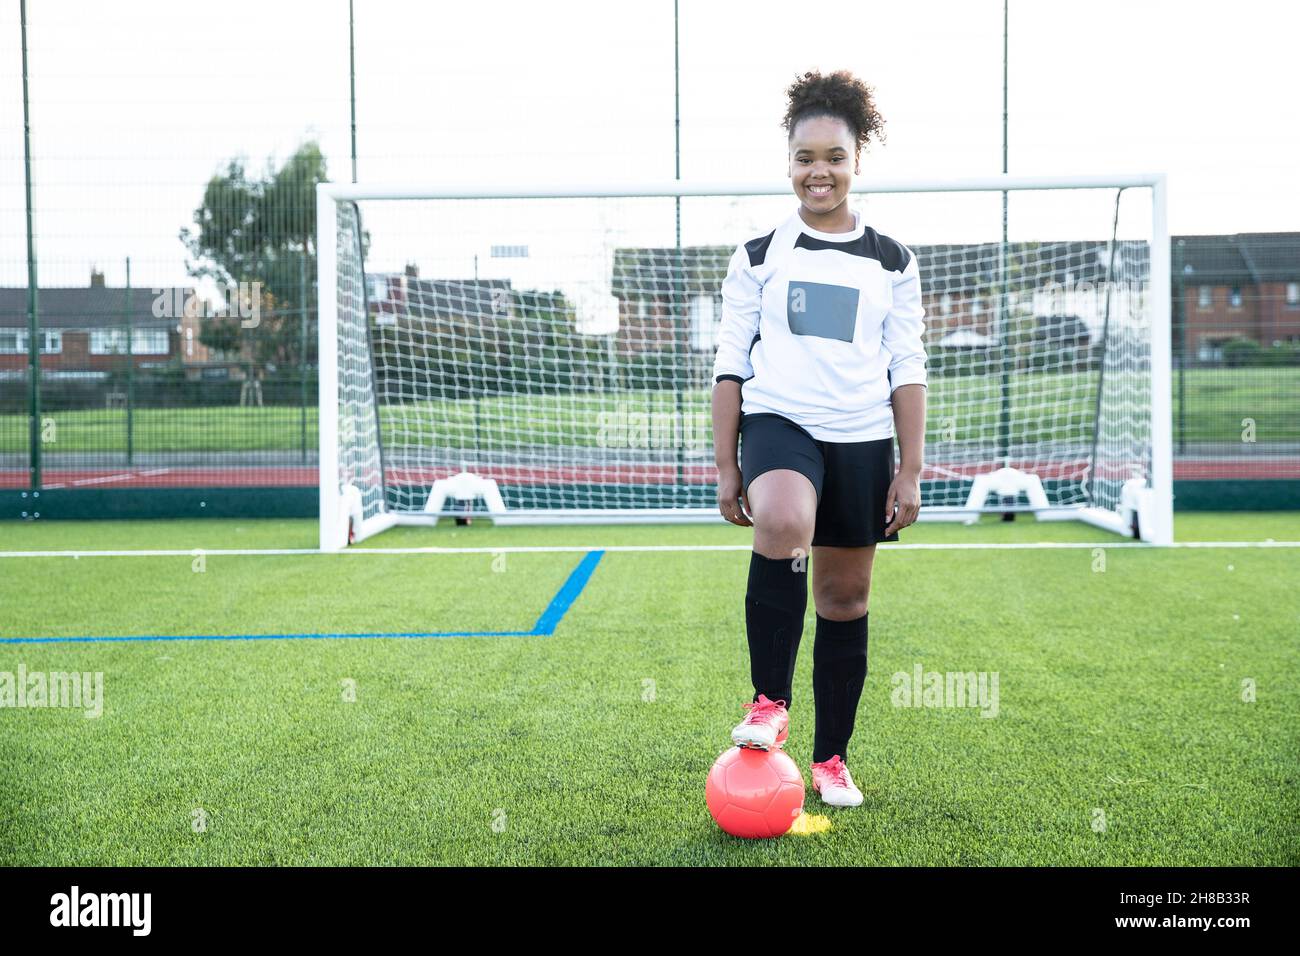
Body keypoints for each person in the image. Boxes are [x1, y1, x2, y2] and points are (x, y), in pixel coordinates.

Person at [710, 69, 928, 808]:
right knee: (781, 520)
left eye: (833, 156)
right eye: (805, 157)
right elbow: (730, 365)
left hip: (863, 439)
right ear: (789, 162)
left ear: (857, 159)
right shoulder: (760, 255)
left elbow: (908, 368)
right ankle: (768, 704)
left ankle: (832, 758)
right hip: (781, 424)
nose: (819, 171)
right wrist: (725, 468)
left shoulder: (892, 261)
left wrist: (910, 470)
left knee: (844, 598)